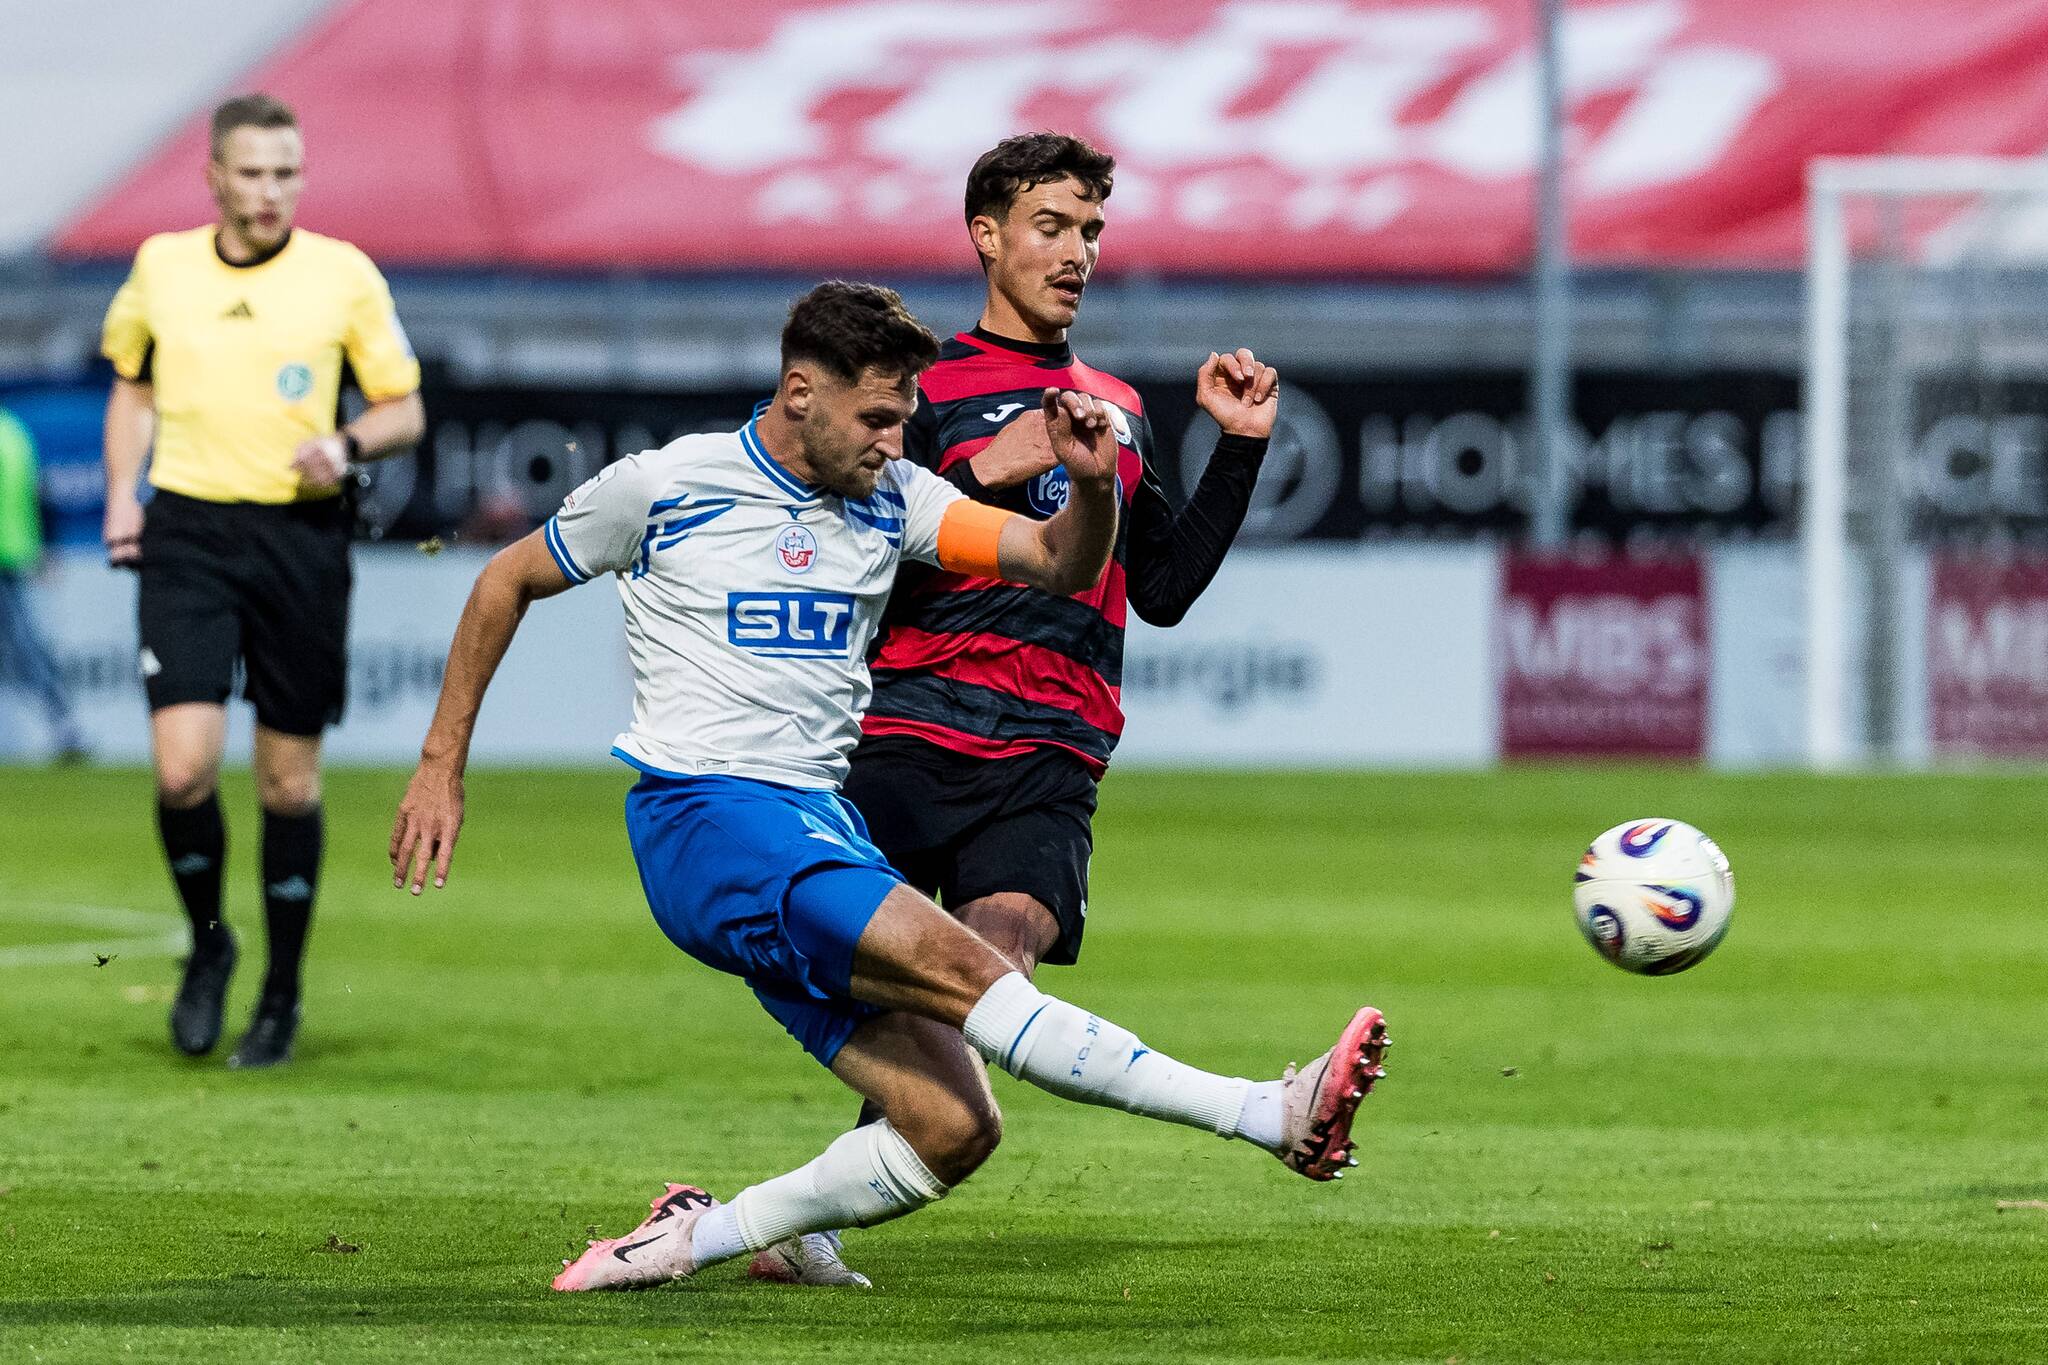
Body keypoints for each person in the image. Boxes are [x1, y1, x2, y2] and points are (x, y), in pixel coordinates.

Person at [389, 282, 1388, 1293]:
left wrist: (1092, 489)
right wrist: (440, 765)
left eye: (903, 413)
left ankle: (694, 1236)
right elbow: (502, 580)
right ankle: (1266, 1111)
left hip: (816, 826)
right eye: (874, 415)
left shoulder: (894, 496)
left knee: (953, 1128)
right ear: (797, 393)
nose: (892, 436)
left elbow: (1050, 560)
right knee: (985, 980)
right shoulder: (663, 486)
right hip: (708, 819)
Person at [763, 132, 1282, 1286]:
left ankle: (805, 1219)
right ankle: (800, 1214)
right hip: (904, 732)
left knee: (996, 971)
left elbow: (1163, 593)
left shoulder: (1116, 409)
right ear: (985, 235)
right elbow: (843, 571)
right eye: (1051, 226)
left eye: (1091, 231)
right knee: (821, 965)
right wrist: (972, 482)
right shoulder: (919, 395)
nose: (1077, 253)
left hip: (1050, 753)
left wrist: (1236, 452)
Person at [99, 92, 425, 1068]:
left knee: (288, 783)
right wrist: (124, 493)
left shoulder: (341, 276)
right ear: (214, 177)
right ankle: (211, 950)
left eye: (287, 172)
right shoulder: (162, 266)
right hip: (189, 532)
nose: (271, 189)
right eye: (252, 172)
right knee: (182, 768)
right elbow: (134, 385)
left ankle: (279, 994)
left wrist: (347, 440)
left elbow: (403, 407)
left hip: (298, 540)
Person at [0, 403, 90, 762]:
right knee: (25, 645)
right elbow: (40, 494)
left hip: (9, 557)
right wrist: (45, 546)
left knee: (24, 647)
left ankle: (64, 724)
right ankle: (64, 723)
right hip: (17, 553)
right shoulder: (13, 432)